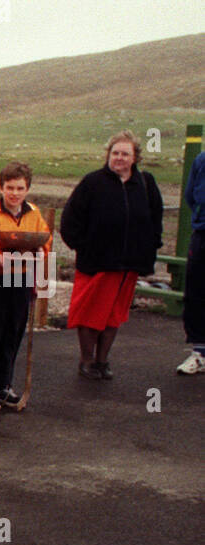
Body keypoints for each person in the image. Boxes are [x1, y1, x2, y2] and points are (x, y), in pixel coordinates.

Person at [60, 130, 163, 380]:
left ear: (135, 157)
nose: (119, 158)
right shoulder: (92, 182)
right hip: (97, 263)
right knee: (90, 313)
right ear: (108, 155)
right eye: (115, 153)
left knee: (113, 315)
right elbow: (70, 220)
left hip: (128, 264)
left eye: (125, 154)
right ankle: (86, 361)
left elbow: (155, 219)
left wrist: (148, 248)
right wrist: (84, 247)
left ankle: (102, 361)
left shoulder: (146, 184)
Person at [0, 162, 51, 405]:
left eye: (20, 188)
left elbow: (45, 236)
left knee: (14, 330)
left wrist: (43, 249)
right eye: (10, 187)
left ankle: (4, 383)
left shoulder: (33, 212)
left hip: (23, 278)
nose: (14, 193)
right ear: (1, 188)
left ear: (27, 189)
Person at [180, 146, 205, 375]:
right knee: (196, 292)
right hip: (202, 234)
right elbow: (190, 196)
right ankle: (199, 352)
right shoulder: (201, 160)